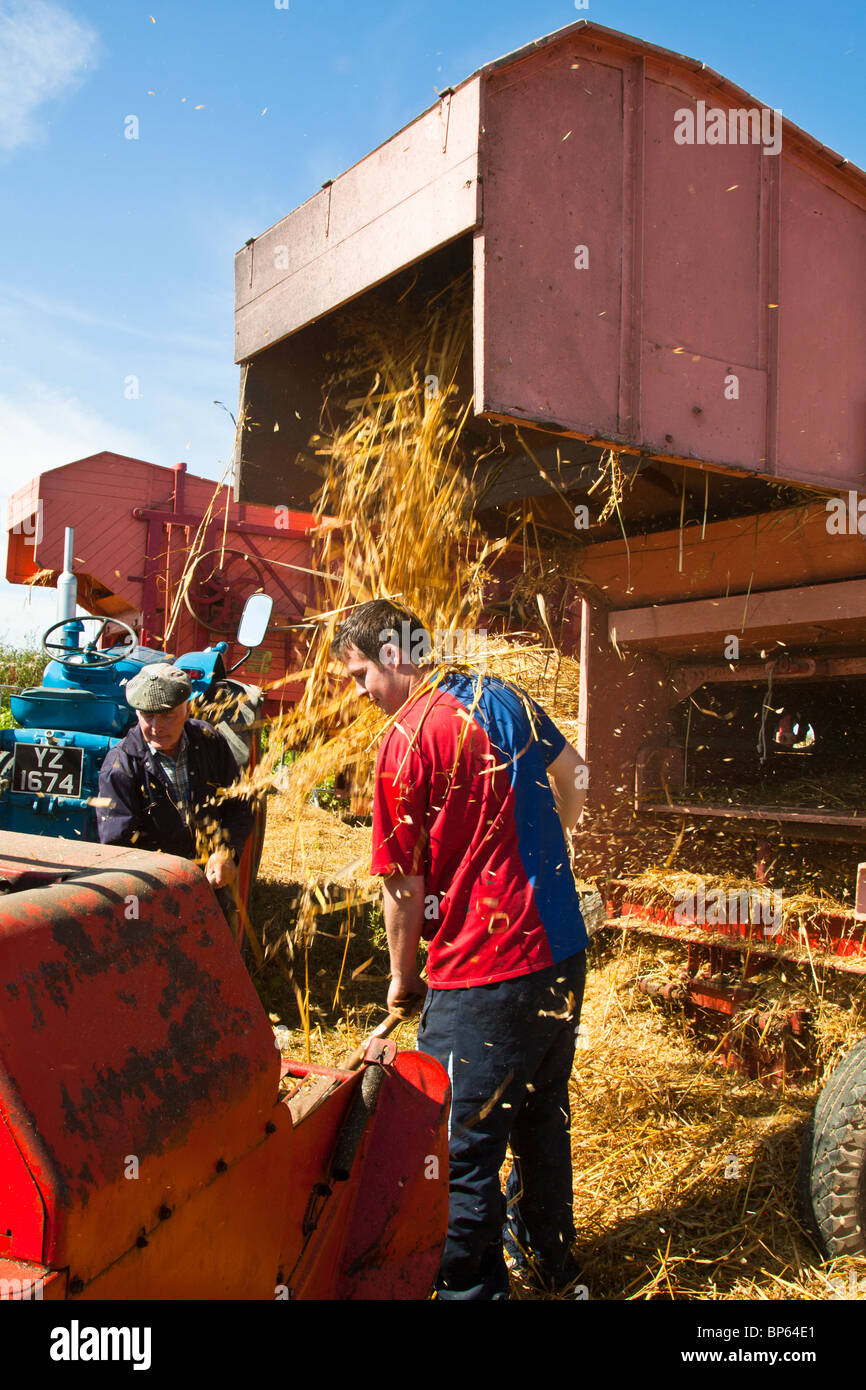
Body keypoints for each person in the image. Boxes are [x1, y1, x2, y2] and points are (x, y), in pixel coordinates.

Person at [332, 599, 589, 1300]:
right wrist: (539, 856)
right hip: (562, 952)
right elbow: (577, 778)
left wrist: (401, 978)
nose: (360, 694)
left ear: (393, 656)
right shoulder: (503, 697)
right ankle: (548, 1263)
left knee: (459, 1150)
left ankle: (472, 1292)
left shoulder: (407, 738)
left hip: (486, 973)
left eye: (359, 676)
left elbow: (401, 885)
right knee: (541, 1114)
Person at [96, 664, 253, 924]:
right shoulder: (120, 765)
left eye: (167, 715)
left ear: (187, 709)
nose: (157, 726)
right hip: (149, 896)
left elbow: (240, 803)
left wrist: (228, 850)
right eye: (148, 716)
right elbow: (118, 843)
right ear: (136, 713)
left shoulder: (208, 741)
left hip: (208, 887)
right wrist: (173, 879)